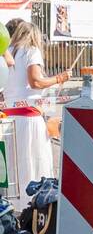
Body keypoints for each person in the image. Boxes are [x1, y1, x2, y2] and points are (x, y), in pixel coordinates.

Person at [4, 22, 70, 213]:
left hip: (10, 116)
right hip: (29, 118)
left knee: (14, 164)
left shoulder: (7, 53)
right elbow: (35, 82)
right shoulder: (31, 51)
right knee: (33, 159)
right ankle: (34, 204)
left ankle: (13, 206)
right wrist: (60, 78)